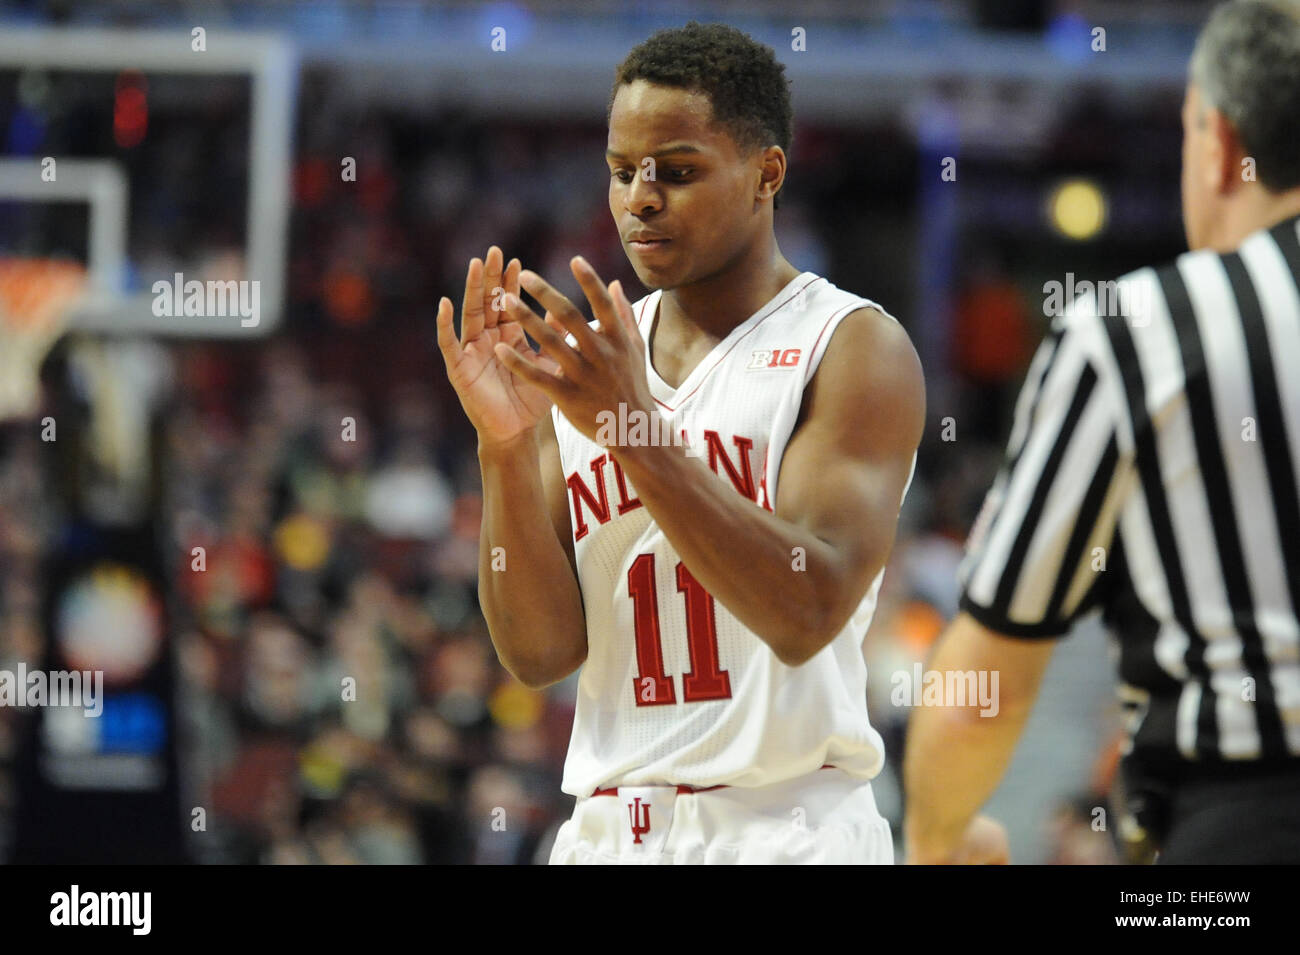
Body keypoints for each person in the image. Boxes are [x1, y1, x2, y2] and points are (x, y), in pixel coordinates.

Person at [437, 21, 924, 864]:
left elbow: (807, 608)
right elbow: (541, 651)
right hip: (606, 830)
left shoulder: (850, 346)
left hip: (786, 831)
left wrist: (636, 432)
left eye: (677, 170)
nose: (640, 198)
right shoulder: (589, 365)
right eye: (623, 172)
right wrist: (508, 449)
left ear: (766, 171)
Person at [904, 0, 1300, 864]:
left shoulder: (1140, 329)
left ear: (1222, 143)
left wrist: (936, 838)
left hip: (1241, 830)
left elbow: (986, 683)